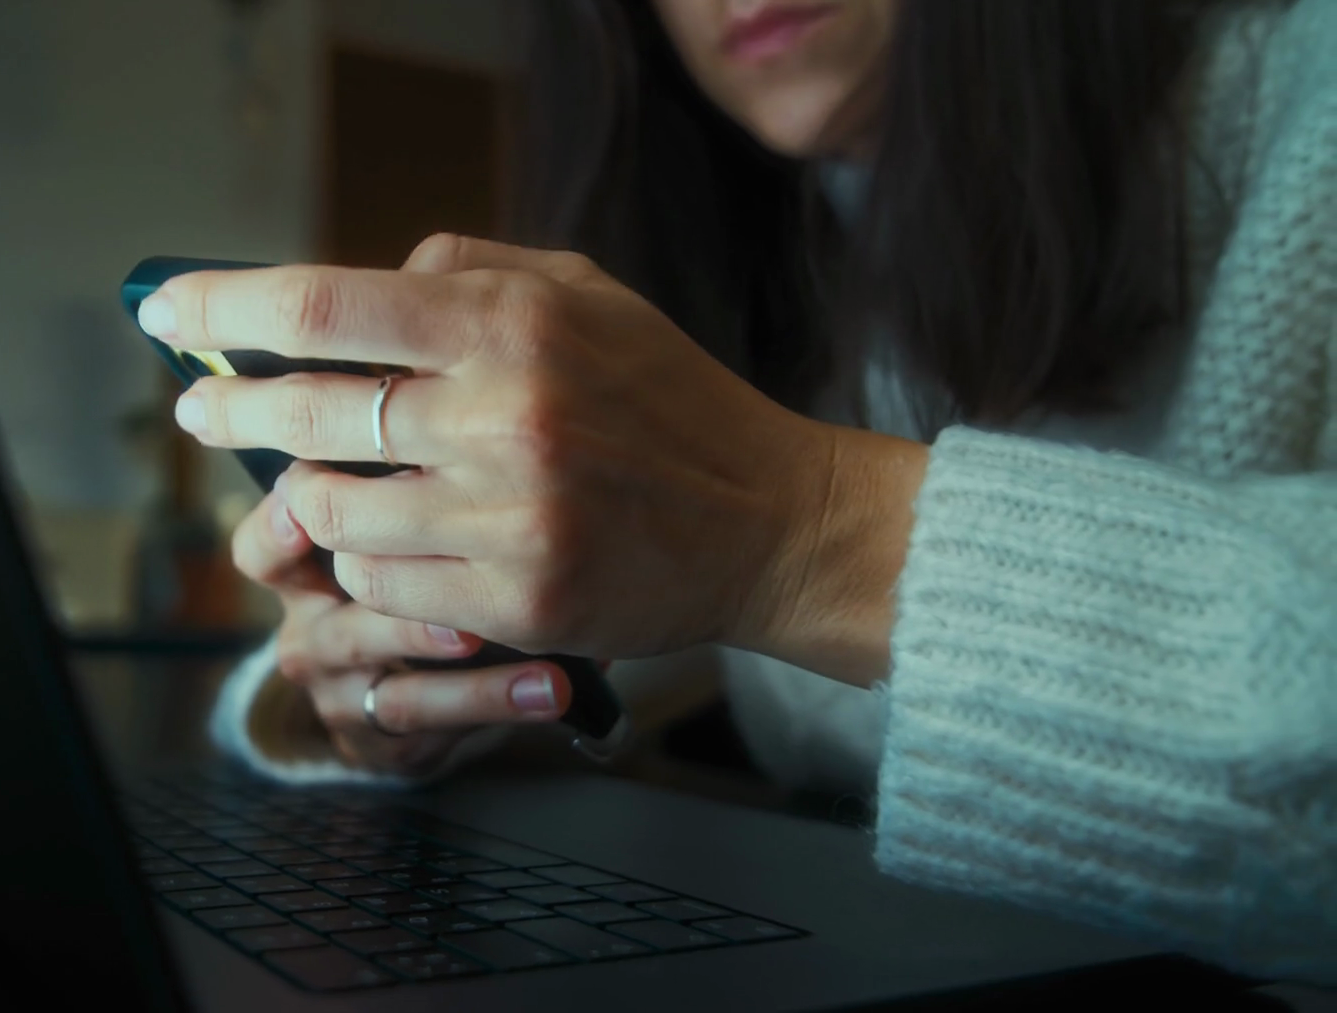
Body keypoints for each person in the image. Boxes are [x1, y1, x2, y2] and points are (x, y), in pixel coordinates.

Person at [135, 0, 1337, 982]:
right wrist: (377, 664)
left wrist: (802, 529)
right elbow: (602, 658)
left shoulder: (1307, 100)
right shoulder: (761, 245)